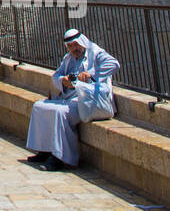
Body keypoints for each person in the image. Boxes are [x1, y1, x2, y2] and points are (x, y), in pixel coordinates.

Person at [25, 29, 120, 171]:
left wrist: (90, 73)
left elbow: (114, 64)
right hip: (70, 96)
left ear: (82, 42)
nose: (74, 48)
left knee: (61, 113)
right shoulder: (68, 58)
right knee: (39, 106)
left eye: (76, 45)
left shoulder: (95, 53)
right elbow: (56, 75)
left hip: (89, 99)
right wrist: (63, 81)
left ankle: (60, 157)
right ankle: (44, 150)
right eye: (70, 46)